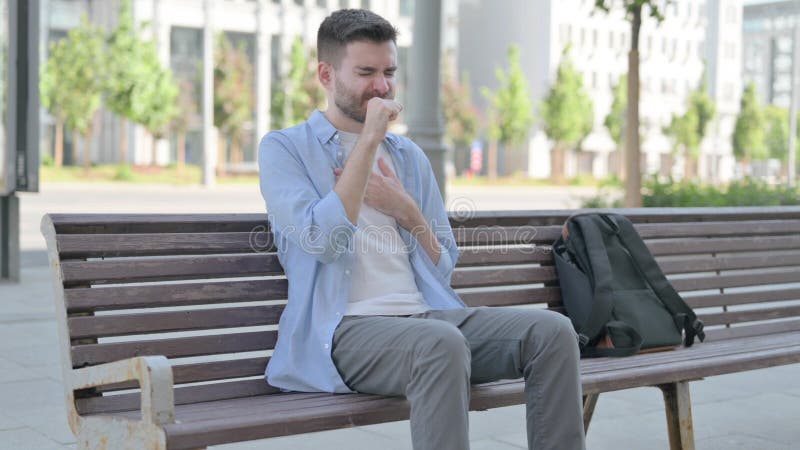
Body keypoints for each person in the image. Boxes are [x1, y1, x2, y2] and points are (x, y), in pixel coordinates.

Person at [258, 9, 585, 450]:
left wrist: (406, 209)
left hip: (425, 318)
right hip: (342, 330)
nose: (382, 86)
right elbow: (324, 242)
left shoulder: (408, 156)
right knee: (439, 344)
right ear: (326, 75)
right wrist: (368, 142)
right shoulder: (284, 149)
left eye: (389, 72)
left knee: (552, 333)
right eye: (366, 72)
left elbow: (442, 263)